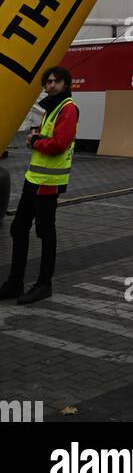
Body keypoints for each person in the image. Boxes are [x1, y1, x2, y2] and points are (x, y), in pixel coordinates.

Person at [0, 66, 79, 305]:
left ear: (66, 85)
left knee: (45, 233)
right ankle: (15, 282)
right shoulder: (51, 108)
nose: (51, 85)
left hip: (49, 182)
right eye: (48, 82)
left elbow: (59, 144)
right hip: (34, 180)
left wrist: (35, 141)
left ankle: (44, 284)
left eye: (56, 82)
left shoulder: (67, 108)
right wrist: (37, 140)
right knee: (18, 228)